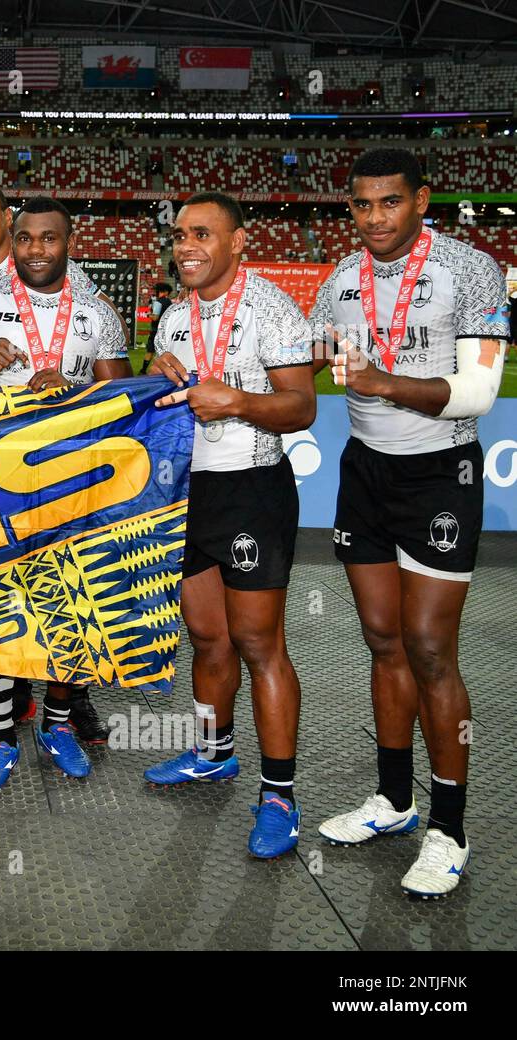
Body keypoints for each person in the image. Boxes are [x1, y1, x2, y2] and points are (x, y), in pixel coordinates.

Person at [310, 148, 509, 897]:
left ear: (421, 201)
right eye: (361, 204)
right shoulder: (341, 277)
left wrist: (382, 381)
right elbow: (305, 353)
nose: (374, 218)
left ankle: (450, 829)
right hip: (365, 471)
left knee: (430, 649)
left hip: (439, 473)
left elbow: (480, 391)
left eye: (389, 202)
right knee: (384, 641)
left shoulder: (472, 268)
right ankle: (395, 800)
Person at [0, 195, 132, 792]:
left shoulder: (97, 313)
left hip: (72, 483)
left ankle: (59, 727)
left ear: (69, 243)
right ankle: (2, 735)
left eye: (49, 238)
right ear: (13, 242)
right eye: (25, 238)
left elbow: (122, 402)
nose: (36, 249)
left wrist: (72, 391)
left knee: (72, 608)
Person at [141, 191, 316, 859]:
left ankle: (280, 796)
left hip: (252, 491)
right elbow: (165, 397)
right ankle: (213, 754)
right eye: (180, 235)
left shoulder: (273, 308)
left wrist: (238, 401)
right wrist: (156, 373)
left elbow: (301, 408)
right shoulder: (173, 316)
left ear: (238, 241)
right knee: (208, 638)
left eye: (202, 234)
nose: (186, 246)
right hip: (189, 494)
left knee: (257, 644)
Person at [139, 282, 172, 374]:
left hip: (156, 330)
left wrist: (148, 314)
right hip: (166, 330)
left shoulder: (158, 303)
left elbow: (155, 318)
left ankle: (143, 370)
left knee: (150, 351)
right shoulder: (169, 302)